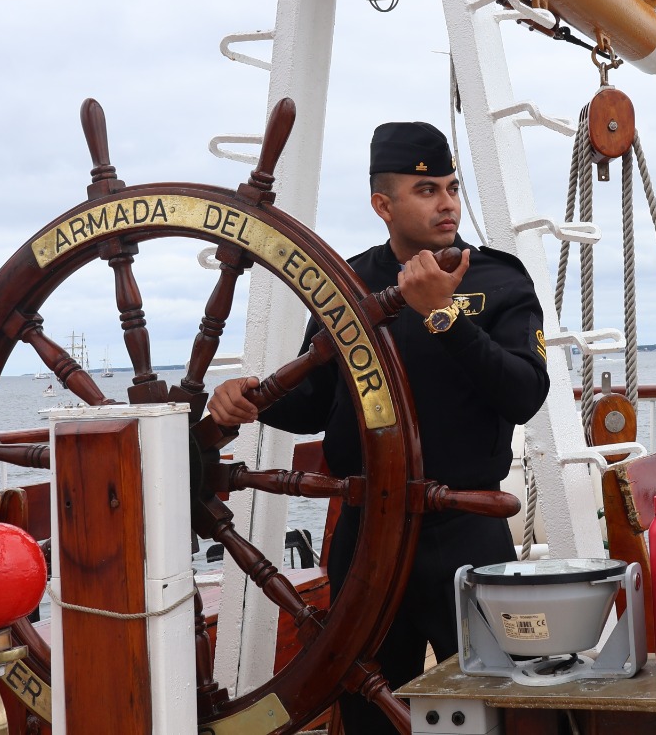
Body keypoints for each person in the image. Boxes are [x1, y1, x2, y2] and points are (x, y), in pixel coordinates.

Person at [207, 121, 549, 734]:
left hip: (465, 533)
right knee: (367, 711)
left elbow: (523, 394)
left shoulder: (498, 280)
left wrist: (444, 317)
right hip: (368, 532)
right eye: (426, 190)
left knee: (492, 710)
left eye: (451, 187)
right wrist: (250, 398)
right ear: (382, 205)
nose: (447, 202)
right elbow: (316, 401)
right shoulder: (349, 282)